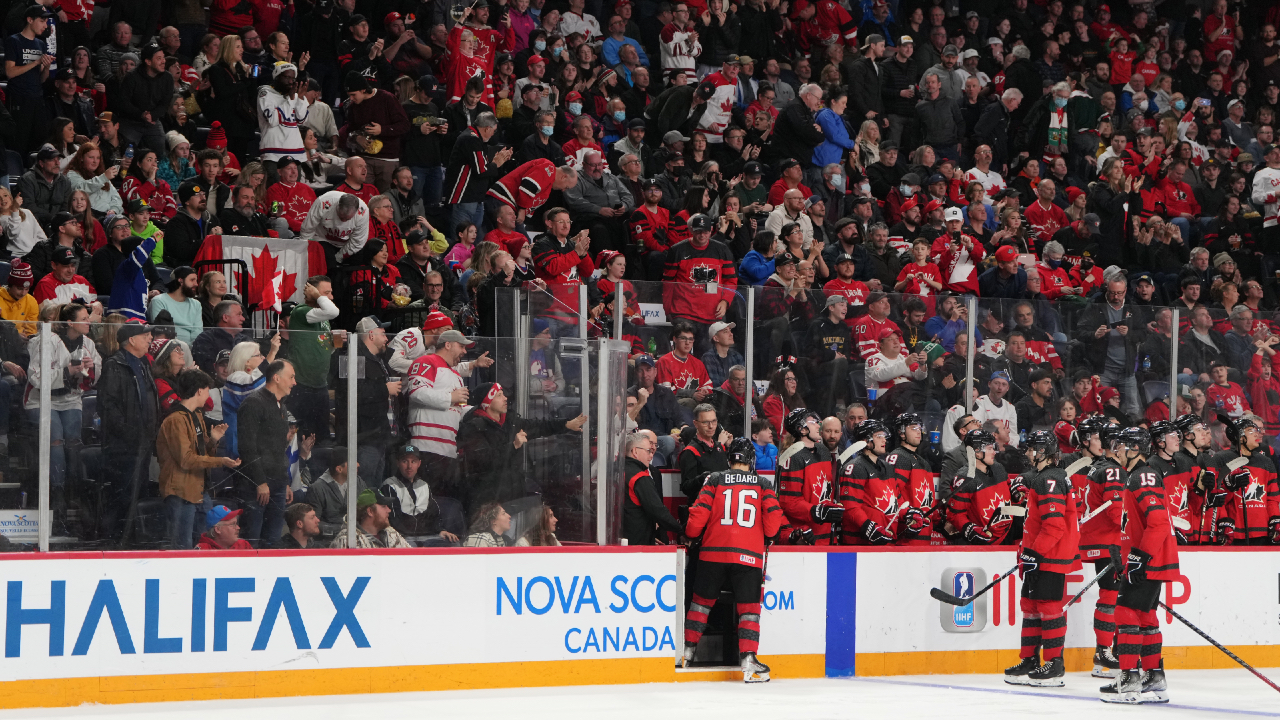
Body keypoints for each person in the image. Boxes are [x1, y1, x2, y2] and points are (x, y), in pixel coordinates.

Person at [682, 436, 784, 683]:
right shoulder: (763, 483)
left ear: (730, 459)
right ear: (751, 460)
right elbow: (772, 525)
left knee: (700, 604)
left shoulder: (715, 479)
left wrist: (691, 536)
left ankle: (687, 653)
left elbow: (696, 519)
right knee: (749, 610)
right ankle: (748, 659)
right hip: (748, 557)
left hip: (712, 554)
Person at [1101, 426, 1178, 704]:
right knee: (1145, 618)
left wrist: (1139, 556)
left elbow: (1157, 521)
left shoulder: (1141, 475)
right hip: (1152, 559)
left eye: (1121, 445)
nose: (1117, 450)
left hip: (1148, 559)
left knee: (1125, 614)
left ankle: (1130, 679)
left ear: (1135, 448)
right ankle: (1154, 677)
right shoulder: (1139, 475)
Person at [1004, 430, 1079, 687]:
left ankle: (1054, 663)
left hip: (1049, 556)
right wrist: (1029, 553)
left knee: (1048, 607)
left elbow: (1055, 526)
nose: (1027, 453)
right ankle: (1030, 660)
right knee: (1030, 605)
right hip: (1039, 554)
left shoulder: (1049, 479)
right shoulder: (1045, 477)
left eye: (1031, 448)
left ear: (1043, 452)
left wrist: (1034, 553)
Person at [455, 381, 586, 513]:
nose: (505, 398)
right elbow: (483, 460)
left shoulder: (511, 422)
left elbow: (538, 426)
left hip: (514, 495)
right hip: (489, 501)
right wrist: (513, 446)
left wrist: (566, 425)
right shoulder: (473, 427)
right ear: (487, 402)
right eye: (499, 395)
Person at [157, 368, 240, 549]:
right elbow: (186, 460)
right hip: (180, 492)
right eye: (207, 390)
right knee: (183, 546)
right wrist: (221, 461)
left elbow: (200, 455)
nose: (208, 395)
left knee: (202, 544)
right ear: (200, 390)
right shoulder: (175, 420)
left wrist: (213, 442)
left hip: (200, 491)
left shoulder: (197, 416)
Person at [98, 321, 159, 543]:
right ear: (131, 340)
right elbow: (108, 406)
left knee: (138, 495)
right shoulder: (115, 365)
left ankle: (132, 541)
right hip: (124, 447)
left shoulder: (143, 364)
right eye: (145, 336)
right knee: (123, 496)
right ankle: (116, 544)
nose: (150, 338)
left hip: (143, 444)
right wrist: (130, 434)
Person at [236, 359, 295, 548]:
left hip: (277, 484)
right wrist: (260, 482)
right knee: (252, 539)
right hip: (256, 486)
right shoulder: (253, 403)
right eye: (291, 377)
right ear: (276, 378)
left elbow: (278, 449)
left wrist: (284, 481)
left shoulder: (281, 406)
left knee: (273, 541)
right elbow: (247, 447)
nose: (294, 382)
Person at [778, 408, 842, 544]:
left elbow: (827, 491)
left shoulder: (823, 451)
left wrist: (832, 508)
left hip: (827, 533)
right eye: (813, 422)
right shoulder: (793, 456)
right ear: (802, 429)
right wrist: (817, 511)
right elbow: (789, 502)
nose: (818, 425)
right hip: (806, 535)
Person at [287, 277, 340, 440]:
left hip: (320, 385)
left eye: (331, 293)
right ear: (311, 292)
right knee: (302, 434)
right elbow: (333, 312)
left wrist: (334, 343)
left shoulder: (321, 317)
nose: (330, 297)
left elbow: (321, 347)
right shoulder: (301, 311)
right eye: (326, 293)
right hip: (302, 385)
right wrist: (317, 296)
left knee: (321, 435)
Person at [380, 444, 463, 546]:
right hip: (403, 537)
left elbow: (433, 515)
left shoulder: (424, 485)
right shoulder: (389, 485)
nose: (409, 466)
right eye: (405, 461)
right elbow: (394, 521)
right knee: (412, 548)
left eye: (413, 461)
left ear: (419, 464)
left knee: (454, 544)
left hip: (427, 537)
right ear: (398, 463)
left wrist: (440, 530)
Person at [946, 428, 1017, 545]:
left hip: (1006, 535)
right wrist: (969, 528)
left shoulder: (998, 468)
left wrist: (1017, 494)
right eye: (989, 449)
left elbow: (1011, 496)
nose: (994, 452)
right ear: (977, 452)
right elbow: (955, 514)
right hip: (982, 541)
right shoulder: (964, 478)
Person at [622, 430, 682, 545]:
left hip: (619, 541)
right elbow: (658, 511)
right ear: (635, 451)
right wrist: (681, 530)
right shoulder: (640, 478)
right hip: (638, 546)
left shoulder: (616, 473)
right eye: (648, 451)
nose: (651, 455)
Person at [307, 445, 368, 541]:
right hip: (329, 542)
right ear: (339, 469)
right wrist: (342, 530)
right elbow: (313, 523)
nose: (358, 464)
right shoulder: (317, 488)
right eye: (352, 462)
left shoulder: (358, 481)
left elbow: (368, 508)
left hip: (358, 537)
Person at [299, 191, 370, 271]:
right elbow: (308, 229)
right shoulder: (323, 202)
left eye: (347, 219)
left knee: (360, 261)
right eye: (341, 217)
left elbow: (357, 242)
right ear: (337, 206)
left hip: (348, 244)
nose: (343, 221)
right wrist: (305, 249)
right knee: (329, 264)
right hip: (323, 239)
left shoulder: (363, 212)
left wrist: (338, 258)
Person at [678, 402, 731, 502]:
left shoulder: (720, 447)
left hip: (723, 505)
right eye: (705, 422)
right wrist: (702, 478)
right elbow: (686, 487)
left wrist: (729, 447)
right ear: (696, 424)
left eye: (714, 421)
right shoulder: (690, 452)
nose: (711, 426)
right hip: (703, 507)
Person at [332, 488, 413, 548]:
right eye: (383, 506)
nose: (389, 510)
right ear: (370, 511)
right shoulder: (348, 539)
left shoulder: (391, 533)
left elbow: (410, 558)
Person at [147, 265, 202, 344]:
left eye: (196, 280)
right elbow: (161, 333)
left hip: (191, 350)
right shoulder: (159, 301)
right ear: (180, 281)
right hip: (167, 346)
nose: (196, 284)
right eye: (192, 280)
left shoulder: (196, 304)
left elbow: (197, 333)